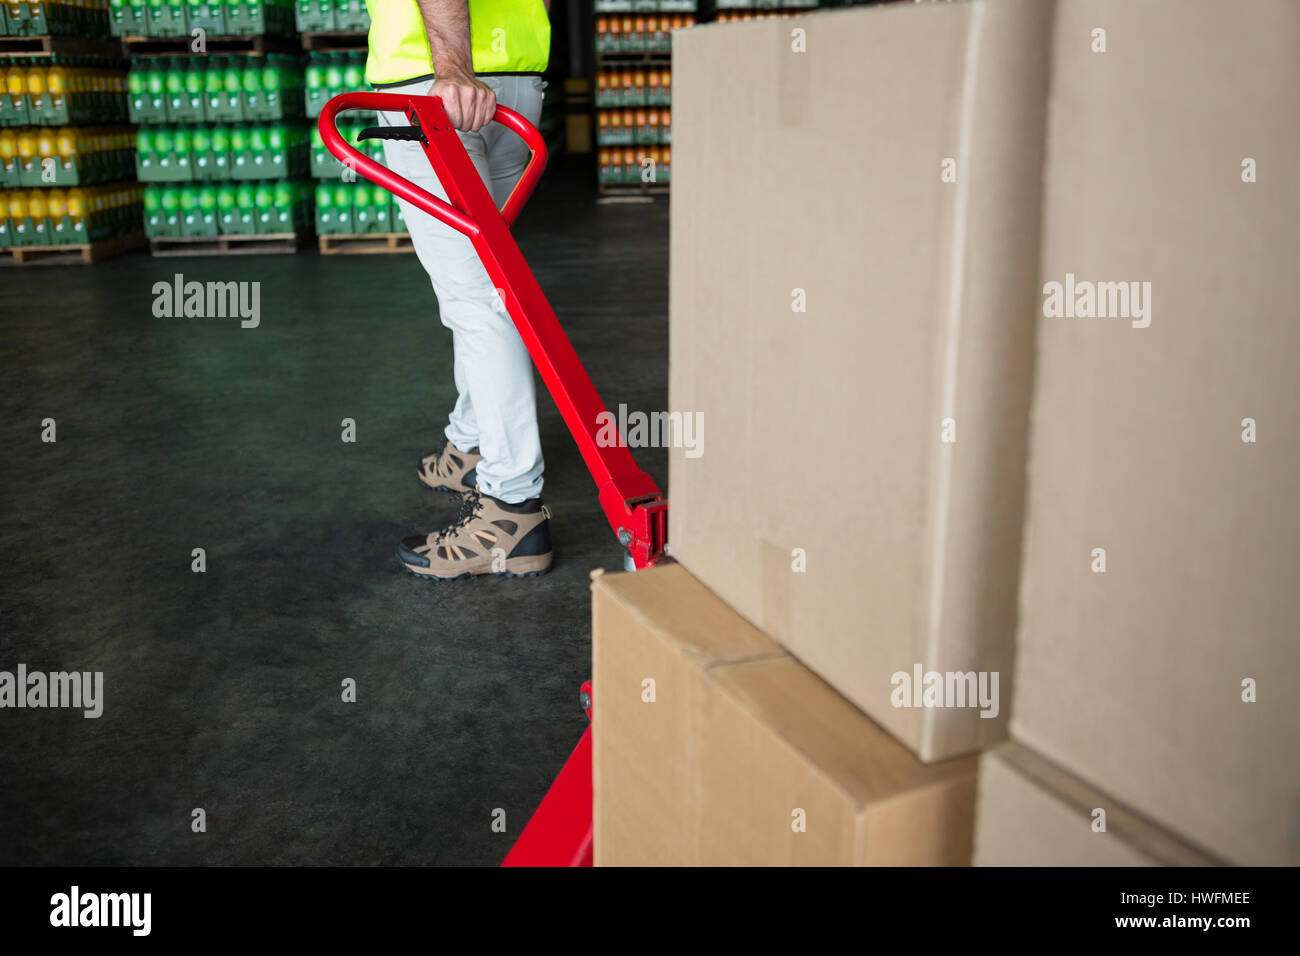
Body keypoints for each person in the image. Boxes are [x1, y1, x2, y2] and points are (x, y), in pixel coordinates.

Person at [363, 0, 554, 579]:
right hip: (515, 82)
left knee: (477, 301)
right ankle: (471, 445)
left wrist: (452, 67)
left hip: (443, 85)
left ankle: (511, 511)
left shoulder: (450, 76)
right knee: (483, 287)